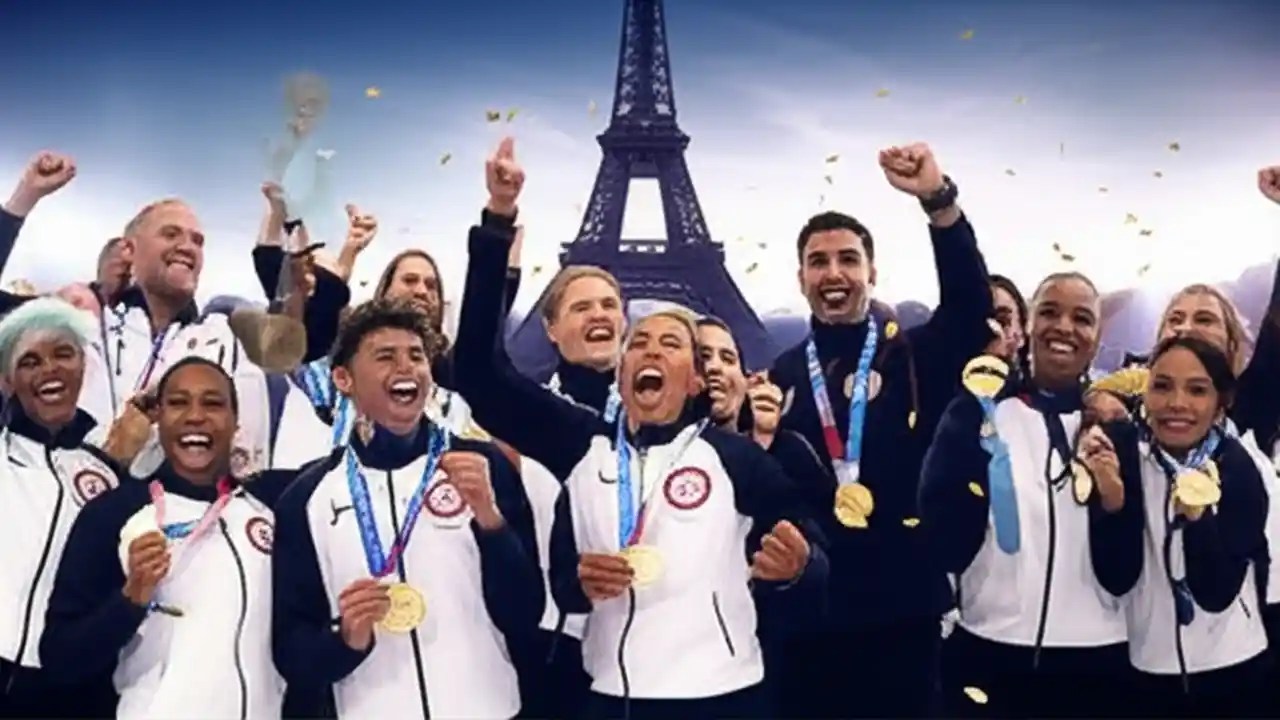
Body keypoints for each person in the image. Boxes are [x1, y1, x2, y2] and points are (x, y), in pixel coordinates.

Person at [453, 139, 829, 718]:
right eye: (641, 342)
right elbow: (478, 373)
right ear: (624, 369)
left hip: (722, 697)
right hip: (609, 697)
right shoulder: (582, 442)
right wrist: (497, 221)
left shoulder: (734, 458)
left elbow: (804, 544)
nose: (650, 349)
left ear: (696, 379)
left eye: (671, 343)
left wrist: (799, 567)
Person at [766, 142, 992, 718]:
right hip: (811, 612)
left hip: (902, 610)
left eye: (848, 258)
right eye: (819, 261)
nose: (834, 273)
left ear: (872, 271)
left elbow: (970, 309)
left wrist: (939, 205)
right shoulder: (783, 375)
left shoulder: (914, 356)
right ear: (801, 279)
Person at [271, 298, 544, 719]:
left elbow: (526, 611)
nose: (407, 367)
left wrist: (491, 522)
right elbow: (291, 650)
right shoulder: (305, 498)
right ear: (343, 378)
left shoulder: (484, 467)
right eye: (386, 356)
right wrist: (346, 640)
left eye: (417, 356)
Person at [920, 272, 1136, 718]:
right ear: (1027, 327)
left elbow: (1127, 566)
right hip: (991, 652)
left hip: (1098, 662)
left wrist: (1112, 499)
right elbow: (940, 528)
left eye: (1082, 318)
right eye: (1050, 312)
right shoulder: (978, 411)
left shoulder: (1120, 428)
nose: (1064, 327)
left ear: (1096, 340)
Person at [40, 356, 296, 719]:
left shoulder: (268, 512)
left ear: (236, 422)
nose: (195, 416)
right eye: (178, 402)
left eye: (213, 403)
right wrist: (130, 600)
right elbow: (61, 657)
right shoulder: (115, 514)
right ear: (158, 418)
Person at [1098, 335, 1270, 717]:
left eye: (1197, 390)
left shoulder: (1237, 469)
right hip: (1147, 671)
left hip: (1234, 671)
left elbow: (1216, 591)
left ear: (1220, 404)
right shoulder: (1126, 456)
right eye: (1161, 386)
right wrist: (1113, 503)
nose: (1177, 403)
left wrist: (1198, 517)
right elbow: (1115, 577)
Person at [0, 298, 127, 718]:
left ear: (83, 366)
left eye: (63, 353)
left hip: (71, 687)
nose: (49, 369)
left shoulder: (111, 475)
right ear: (7, 381)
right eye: (30, 361)